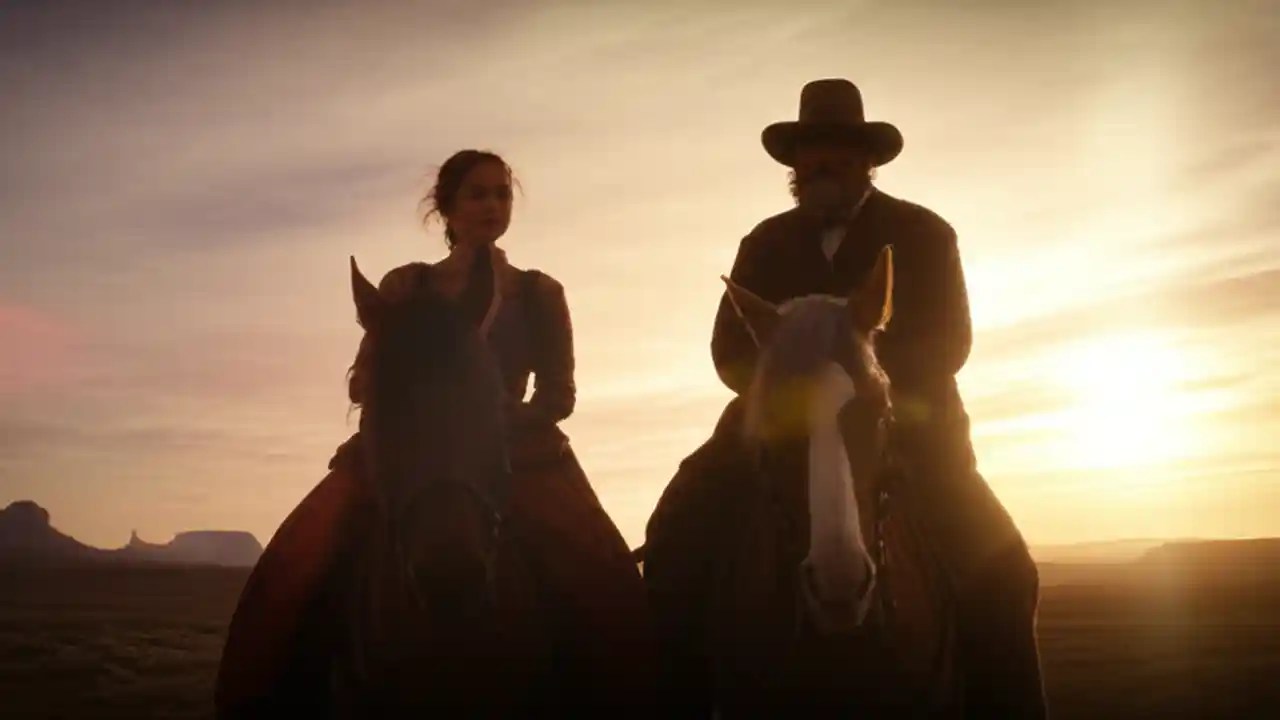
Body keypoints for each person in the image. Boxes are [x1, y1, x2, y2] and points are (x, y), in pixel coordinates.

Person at [643, 79, 1047, 716]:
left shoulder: (923, 233)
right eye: (810, 151)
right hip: (778, 424)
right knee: (674, 529)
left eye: (837, 149)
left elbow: (949, 342)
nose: (821, 162)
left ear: (866, 159)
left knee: (1005, 572)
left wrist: (858, 377)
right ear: (795, 165)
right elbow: (729, 349)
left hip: (910, 430)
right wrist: (789, 385)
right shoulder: (764, 241)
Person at [216, 149, 655, 714]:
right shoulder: (406, 285)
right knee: (300, 554)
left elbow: (558, 395)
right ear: (446, 208)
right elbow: (363, 381)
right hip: (408, 442)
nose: (492, 205)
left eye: (502, 194)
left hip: (512, 449)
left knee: (597, 563)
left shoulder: (540, 292)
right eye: (477, 194)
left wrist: (494, 415)